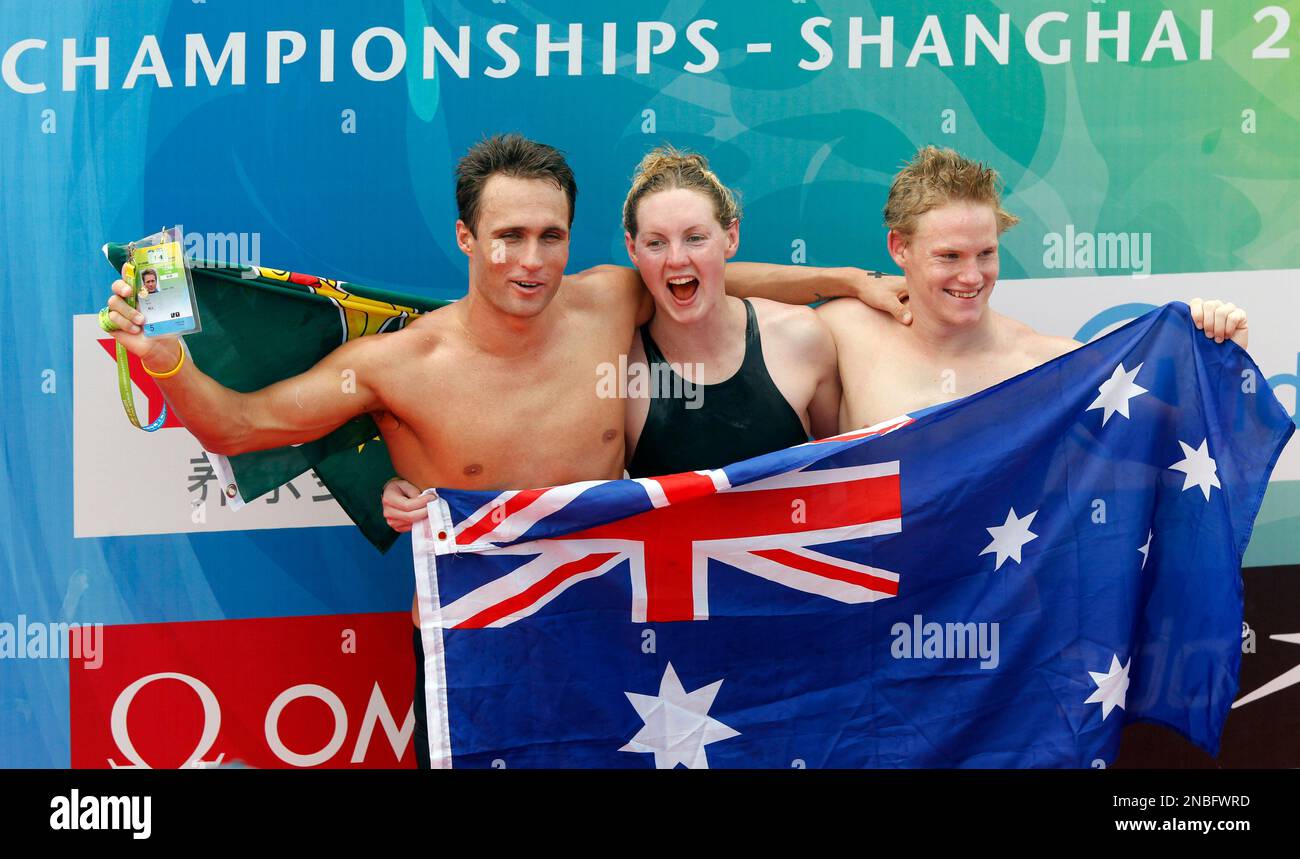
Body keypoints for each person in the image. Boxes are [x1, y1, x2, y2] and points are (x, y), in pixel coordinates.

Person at [100, 133, 909, 767]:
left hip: (613, 642)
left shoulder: (608, 298)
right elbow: (238, 428)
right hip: (480, 654)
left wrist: (854, 280)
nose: (531, 261)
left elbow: (717, 270)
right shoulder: (398, 367)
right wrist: (166, 360)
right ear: (465, 236)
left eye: (550, 236)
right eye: (509, 235)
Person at [817, 146, 1248, 429]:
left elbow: (1189, 431)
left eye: (985, 254)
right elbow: (746, 313)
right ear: (900, 247)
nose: (971, 277)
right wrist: (844, 279)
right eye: (950, 257)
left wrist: (1225, 356)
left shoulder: (1047, 364)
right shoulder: (842, 330)